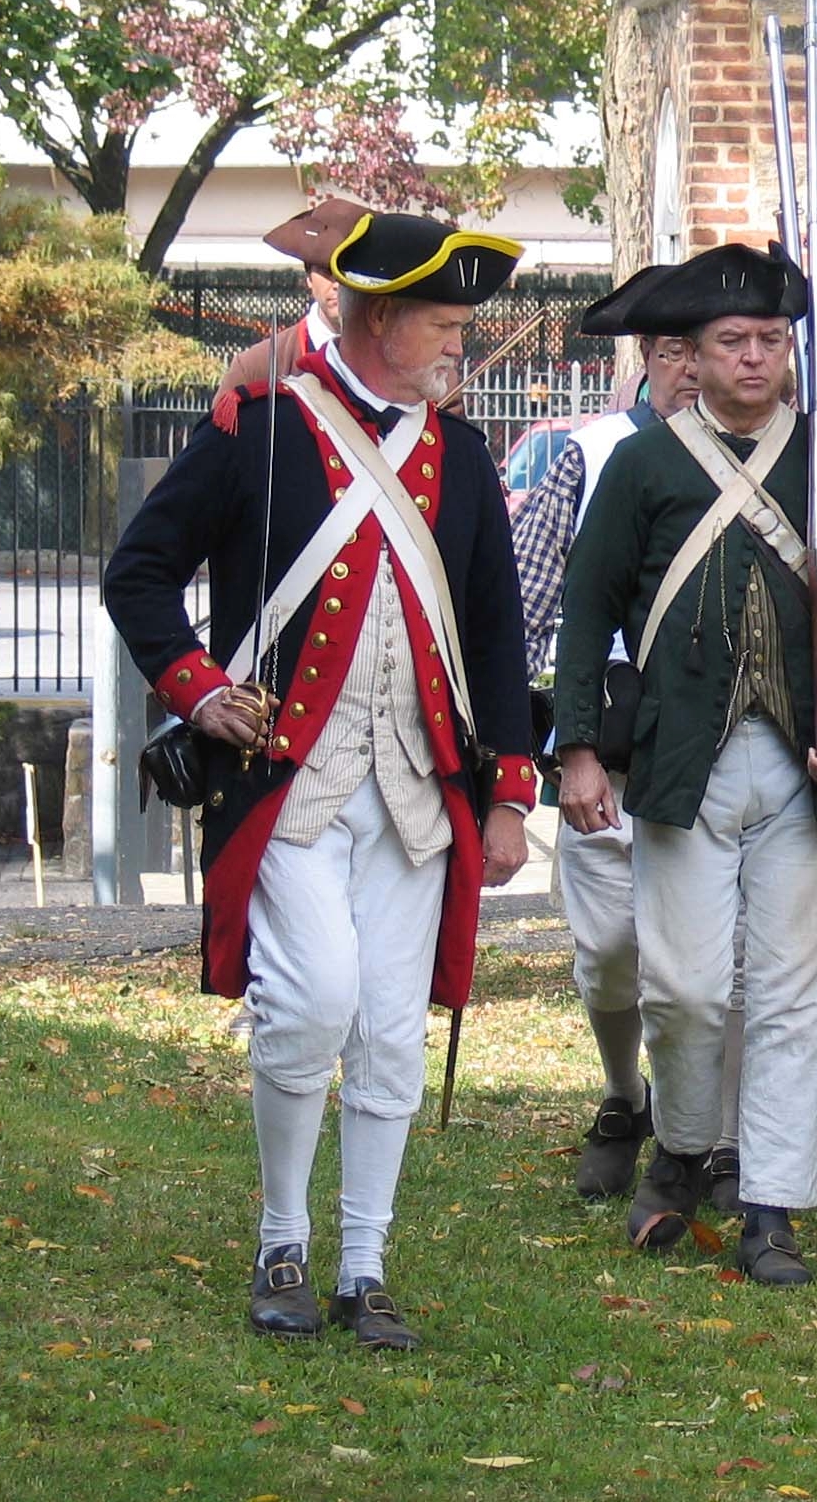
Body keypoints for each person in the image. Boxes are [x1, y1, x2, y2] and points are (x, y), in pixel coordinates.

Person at [103, 207, 538, 1351]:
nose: (457, 343)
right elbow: (140, 571)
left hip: (415, 786)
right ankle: (281, 1241)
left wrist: (507, 791)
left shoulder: (462, 453)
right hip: (287, 778)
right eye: (442, 323)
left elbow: (493, 632)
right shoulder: (263, 426)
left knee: (391, 1031)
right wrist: (197, 686)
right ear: (380, 316)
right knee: (312, 1003)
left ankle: (363, 1265)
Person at [550, 243, 817, 1287]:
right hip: (680, 763)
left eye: (768, 340)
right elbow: (585, 611)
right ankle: (685, 1147)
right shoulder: (645, 466)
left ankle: (774, 1204)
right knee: (689, 991)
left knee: (796, 992)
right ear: (688, 360)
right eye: (731, 342)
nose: (755, 358)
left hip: (804, 767)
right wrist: (575, 752)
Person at [511, 278, 717, 1202]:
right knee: (609, 956)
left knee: (710, 963)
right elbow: (536, 602)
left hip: (719, 752)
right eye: (670, 352)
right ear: (647, 360)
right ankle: (618, 1092)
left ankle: (707, 1137)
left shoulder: (773, 454)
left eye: (698, 349)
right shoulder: (593, 454)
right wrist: (555, 741)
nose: (687, 370)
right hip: (611, 745)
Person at [215, 196, 357, 399]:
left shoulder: (394, 363)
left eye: (346, 271)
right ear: (309, 278)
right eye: (326, 271)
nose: (336, 283)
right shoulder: (257, 366)